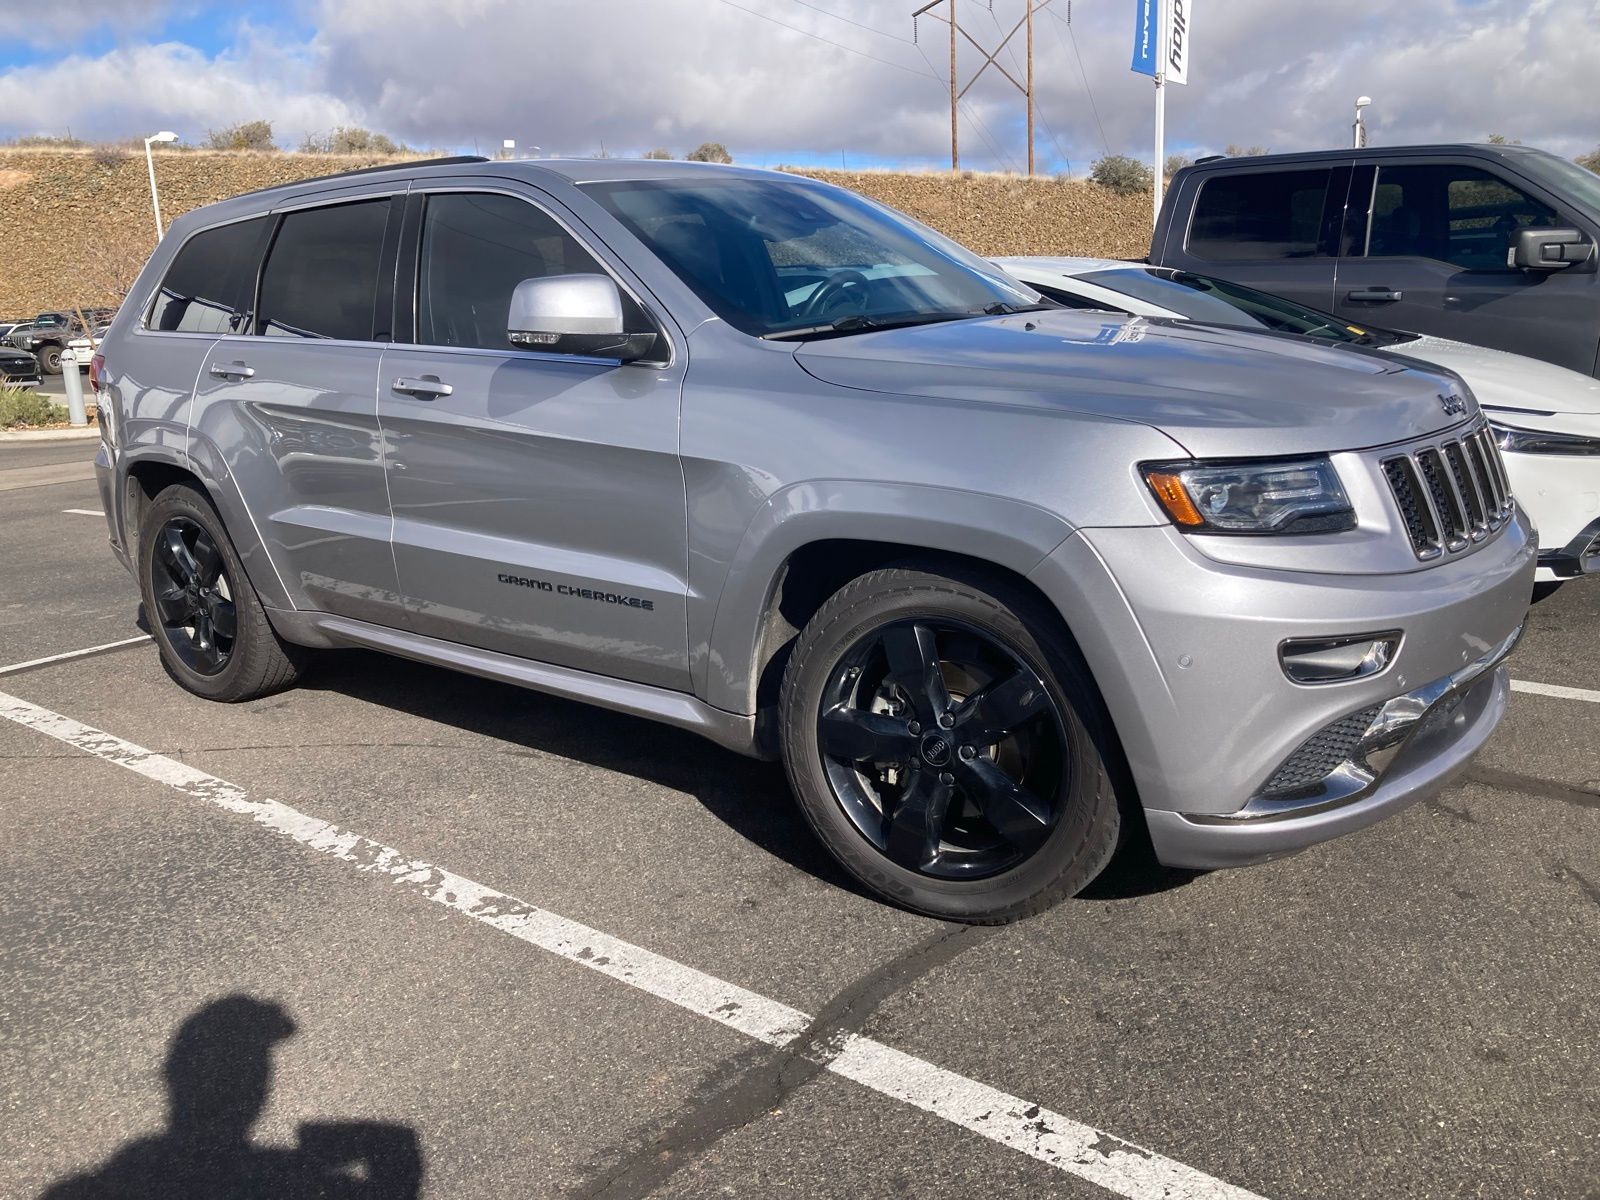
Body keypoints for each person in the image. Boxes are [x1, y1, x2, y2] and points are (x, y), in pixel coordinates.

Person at [41, 995, 421, 1200]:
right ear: (257, 1093)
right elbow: (395, 1156)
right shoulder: (274, 1179)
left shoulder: (132, 1167)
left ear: (173, 1077)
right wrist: (328, 1146)